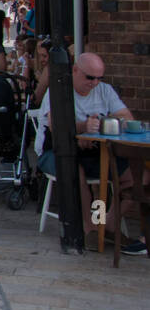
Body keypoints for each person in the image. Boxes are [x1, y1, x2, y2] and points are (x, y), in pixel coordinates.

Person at [40, 52, 147, 254]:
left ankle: (107, 225)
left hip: (97, 152)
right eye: (90, 77)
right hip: (57, 152)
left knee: (139, 177)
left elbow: (126, 116)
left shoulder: (104, 90)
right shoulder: (59, 90)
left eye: (100, 78)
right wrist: (83, 128)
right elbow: (57, 127)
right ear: (75, 71)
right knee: (75, 172)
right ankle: (89, 229)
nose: (95, 83)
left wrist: (106, 124)